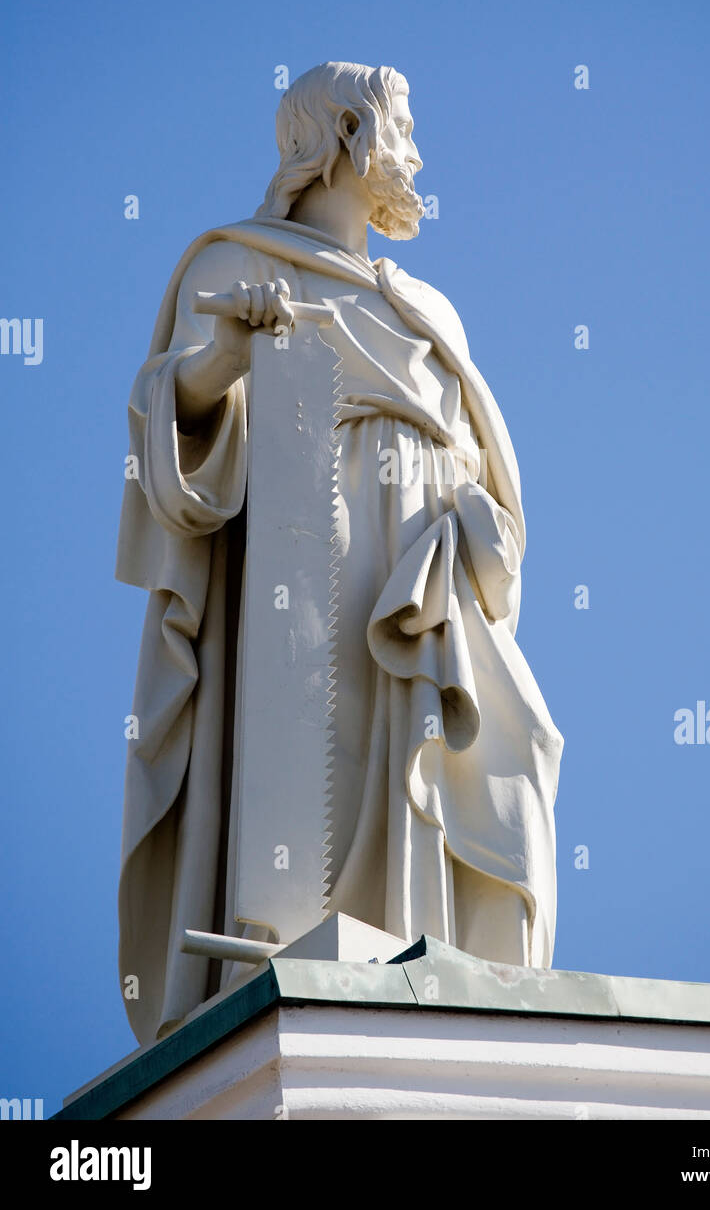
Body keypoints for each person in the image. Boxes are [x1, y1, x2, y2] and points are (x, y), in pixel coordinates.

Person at [117, 62, 563, 1045]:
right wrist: (230, 354)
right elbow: (174, 427)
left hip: (425, 572)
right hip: (304, 560)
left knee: (505, 754)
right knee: (315, 785)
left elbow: (486, 469)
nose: (417, 155)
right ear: (348, 134)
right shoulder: (230, 263)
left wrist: (476, 522)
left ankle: (430, 961)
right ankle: (305, 955)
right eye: (404, 130)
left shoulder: (426, 305)